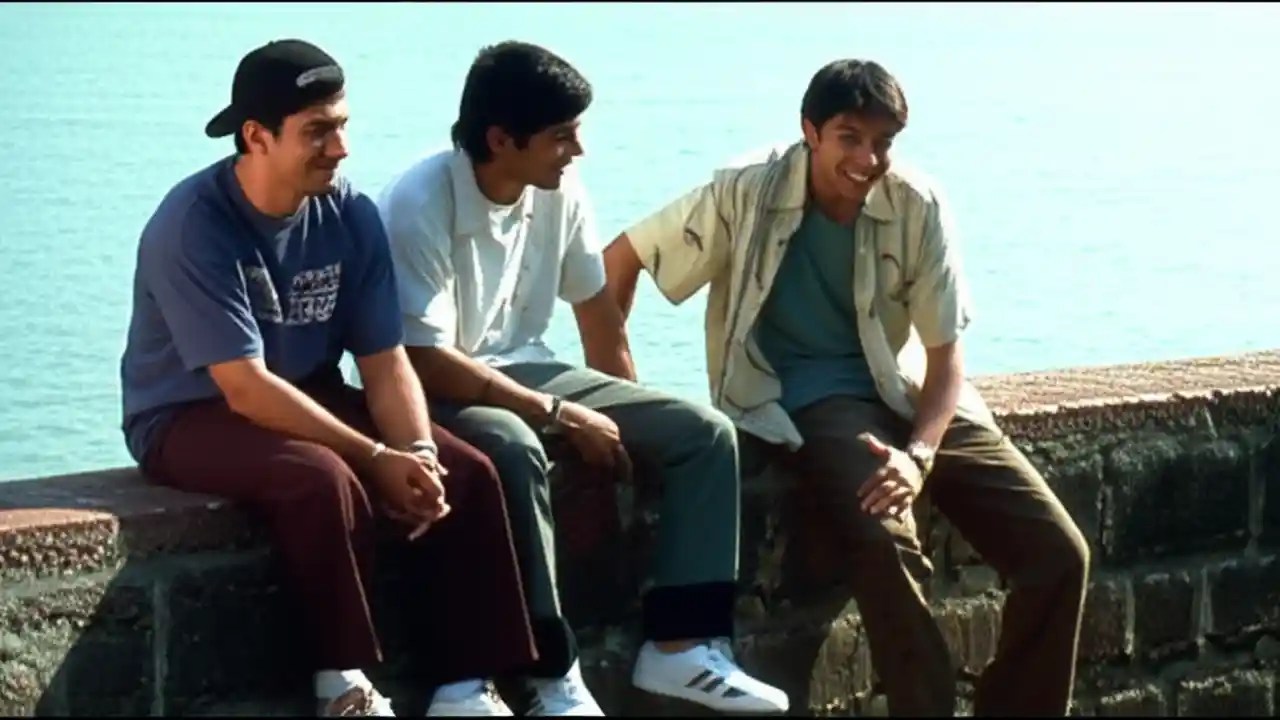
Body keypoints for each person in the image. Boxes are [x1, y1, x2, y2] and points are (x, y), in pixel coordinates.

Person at [600, 58, 1092, 717]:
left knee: (1060, 555)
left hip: (908, 390)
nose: (867, 159)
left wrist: (919, 456)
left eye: (883, 142)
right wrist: (624, 403)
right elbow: (618, 263)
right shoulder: (744, 190)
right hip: (811, 400)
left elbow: (946, 362)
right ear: (810, 131)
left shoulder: (918, 204)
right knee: (885, 542)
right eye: (849, 137)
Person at [118, 39, 541, 717]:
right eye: (317, 132)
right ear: (256, 136)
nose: (339, 149)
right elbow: (245, 387)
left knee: (468, 472)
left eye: (342, 125)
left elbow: (383, 359)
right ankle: (340, 682)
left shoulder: (349, 214)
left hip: (306, 393)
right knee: (323, 479)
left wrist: (419, 454)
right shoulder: (194, 225)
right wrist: (374, 458)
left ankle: (465, 687)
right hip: (189, 415)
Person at [376, 40, 791, 716]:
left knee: (705, 433)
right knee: (513, 443)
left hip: (530, 366)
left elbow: (601, 321)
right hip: (437, 386)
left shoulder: (560, 191)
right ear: (501, 138)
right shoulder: (419, 203)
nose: (578, 150)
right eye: (562, 135)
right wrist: (559, 413)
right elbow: (421, 357)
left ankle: (681, 647)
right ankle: (551, 677)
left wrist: (636, 420)